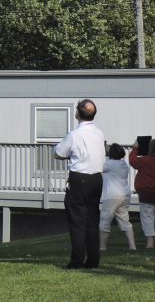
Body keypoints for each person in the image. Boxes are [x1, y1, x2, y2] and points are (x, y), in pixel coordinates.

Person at [54, 98, 107, 269]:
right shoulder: (99, 133)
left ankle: (77, 261)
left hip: (79, 178)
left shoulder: (74, 135)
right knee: (92, 219)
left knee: (77, 220)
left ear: (77, 113)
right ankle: (93, 260)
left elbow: (59, 153)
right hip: (96, 178)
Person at [130, 138, 155, 249]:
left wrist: (135, 148)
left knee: (147, 217)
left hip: (146, 193)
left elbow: (133, 161)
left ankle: (150, 243)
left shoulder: (146, 160)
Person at [100, 143, 137, 252]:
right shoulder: (124, 164)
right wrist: (109, 151)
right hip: (125, 195)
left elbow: (97, 167)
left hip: (112, 196)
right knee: (125, 220)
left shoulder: (109, 164)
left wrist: (102, 152)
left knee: (105, 220)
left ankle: (102, 247)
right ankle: (132, 246)